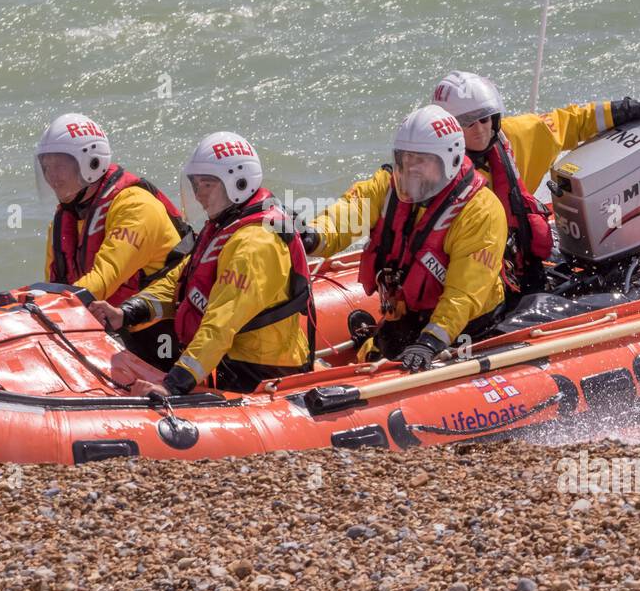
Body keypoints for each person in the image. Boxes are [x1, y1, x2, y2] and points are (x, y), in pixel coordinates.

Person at [91, 132, 313, 396]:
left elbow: (220, 324)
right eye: (195, 185)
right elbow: (178, 282)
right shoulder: (223, 227)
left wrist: (172, 385)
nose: (198, 195)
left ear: (239, 183)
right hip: (228, 364)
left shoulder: (255, 244)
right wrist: (126, 313)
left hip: (261, 374)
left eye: (206, 185)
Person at [431, 71, 640, 296]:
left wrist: (627, 109)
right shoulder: (431, 171)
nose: (480, 130)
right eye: (468, 123)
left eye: (485, 119)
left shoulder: (517, 136)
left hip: (520, 268)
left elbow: (570, 122)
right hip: (470, 279)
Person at [305, 105, 507, 373]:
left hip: (468, 327)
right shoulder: (387, 189)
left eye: (421, 161)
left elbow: (465, 294)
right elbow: (346, 215)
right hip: (409, 314)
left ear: (450, 160)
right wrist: (312, 236)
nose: (411, 169)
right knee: (378, 354)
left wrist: (431, 341)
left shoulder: (480, 211)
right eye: (406, 159)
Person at [36, 113, 191, 369]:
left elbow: (101, 282)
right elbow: (55, 287)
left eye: (60, 164)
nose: (51, 175)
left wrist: (44, 310)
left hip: (158, 340)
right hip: (106, 332)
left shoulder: (136, 207)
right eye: (45, 165)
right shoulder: (64, 219)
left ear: (91, 162)